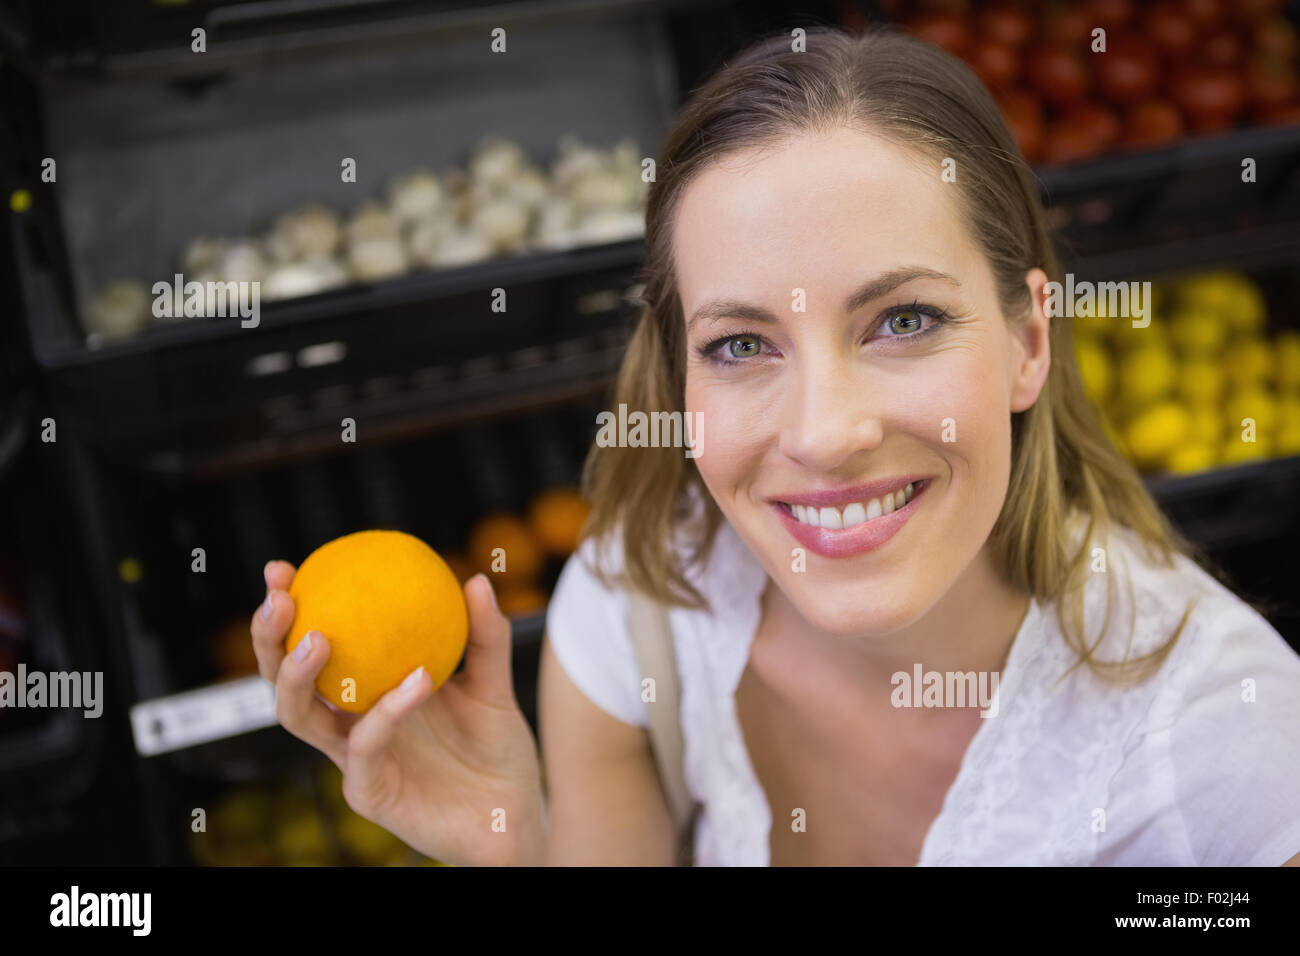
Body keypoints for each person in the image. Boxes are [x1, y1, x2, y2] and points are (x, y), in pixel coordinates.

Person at [250, 25, 1300, 866]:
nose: (825, 432)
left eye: (903, 320)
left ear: (1029, 339)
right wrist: (516, 848)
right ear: (678, 372)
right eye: (743, 342)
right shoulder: (639, 610)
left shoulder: (1222, 755)